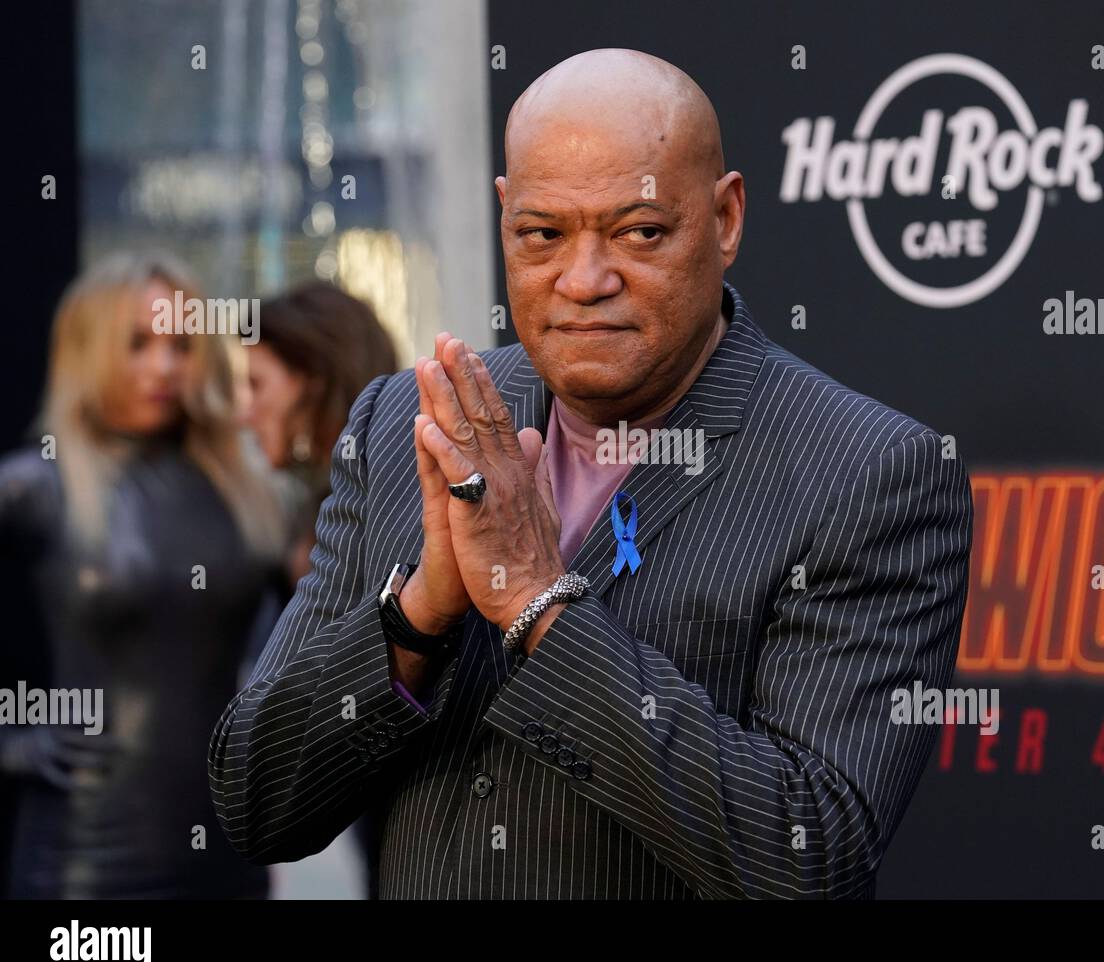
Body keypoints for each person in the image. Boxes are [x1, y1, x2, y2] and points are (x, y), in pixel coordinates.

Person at [210, 48, 973, 899]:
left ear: (725, 218)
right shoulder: (402, 426)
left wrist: (538, 599)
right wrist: (422, 611)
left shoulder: (868, 474)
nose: (583, 280)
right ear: (505, 217)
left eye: (640, 232)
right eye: (543, 235)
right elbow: (255, 800)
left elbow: (806, 856)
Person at [0, 252, 284, 898]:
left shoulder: (237, 489)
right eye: (137, 344)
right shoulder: (39, 485)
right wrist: (12, 744)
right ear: (87, 351)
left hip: (230, 867)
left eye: (180, 344)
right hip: (88, 870)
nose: (163, 366)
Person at [238, 280, 398, 897]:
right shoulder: (313, 512)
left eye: (256, 385)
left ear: (310, 378)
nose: (241, 411)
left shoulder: (397, 498)